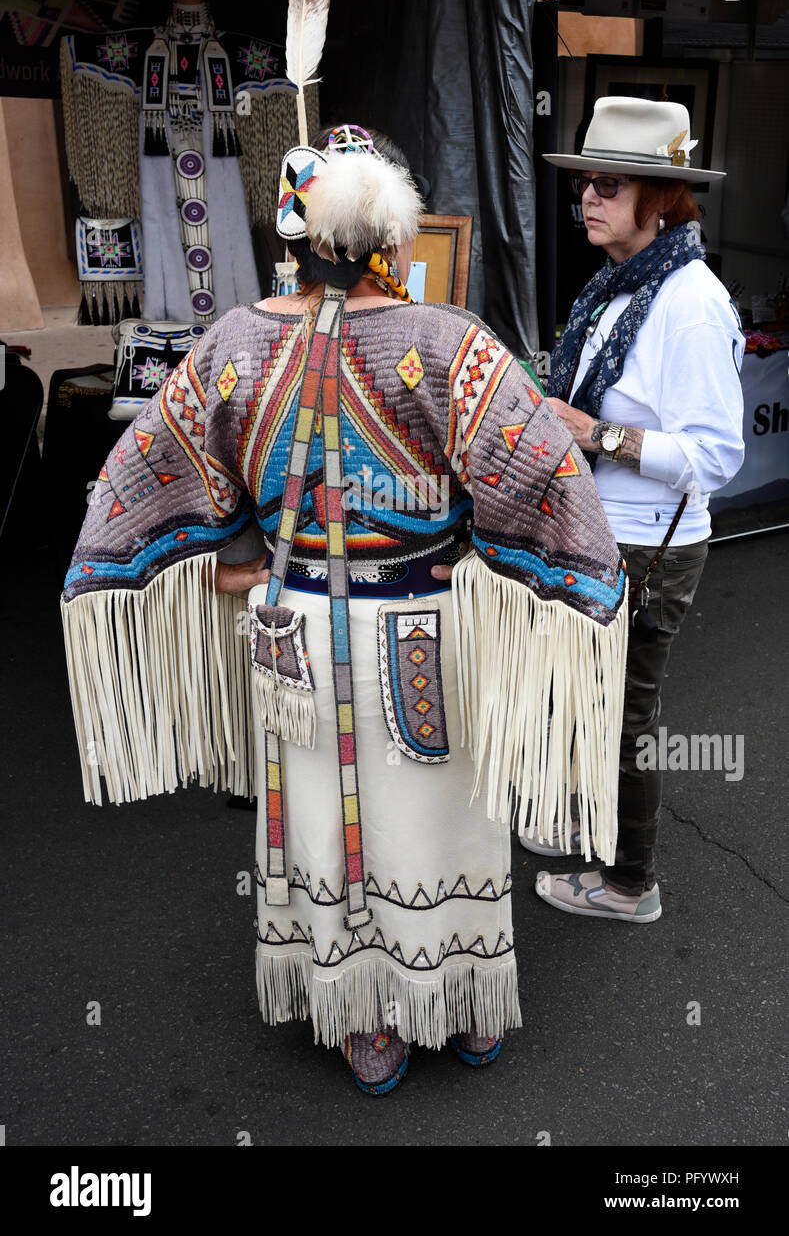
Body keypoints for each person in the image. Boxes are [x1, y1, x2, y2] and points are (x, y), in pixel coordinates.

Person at [61, 122, 628, 1094]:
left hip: (292, 641)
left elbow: (145, 471)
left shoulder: (233, 346)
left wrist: (234, 554)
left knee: (323, 824)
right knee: (443, 824)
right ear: (389, 238)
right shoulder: (450, 344)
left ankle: (369, 1022)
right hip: (421, 632)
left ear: (291, 236)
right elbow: (546, 476)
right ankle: (460, 999)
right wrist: (512, 567)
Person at [524, 96, 745, 922]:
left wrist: (596, 436)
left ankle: (628, 883)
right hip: (601, 530)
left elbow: (717, 458)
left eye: (607, 186)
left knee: (625, 715)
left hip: (647, 546)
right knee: (580, 694)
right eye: (583, 183)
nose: (586, 199)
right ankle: (583, 827)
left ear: (659, 200)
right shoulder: (623, 282)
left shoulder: (689, 302)